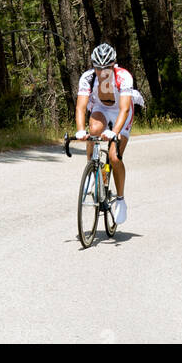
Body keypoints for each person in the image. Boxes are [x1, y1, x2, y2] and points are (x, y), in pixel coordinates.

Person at [74, 42, 135, 225]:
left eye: (106, 67)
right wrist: (79, 130)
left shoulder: (123, 77)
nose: (102, 72)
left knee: (114, 157)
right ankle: (93, 172)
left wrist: (114, 133)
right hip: (101, 108)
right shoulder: (87, 78)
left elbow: (124, 110)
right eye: (98, 68)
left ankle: (121, 199)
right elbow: (81, 106)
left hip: (121, 112)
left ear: (113, 64)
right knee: (93, 131)